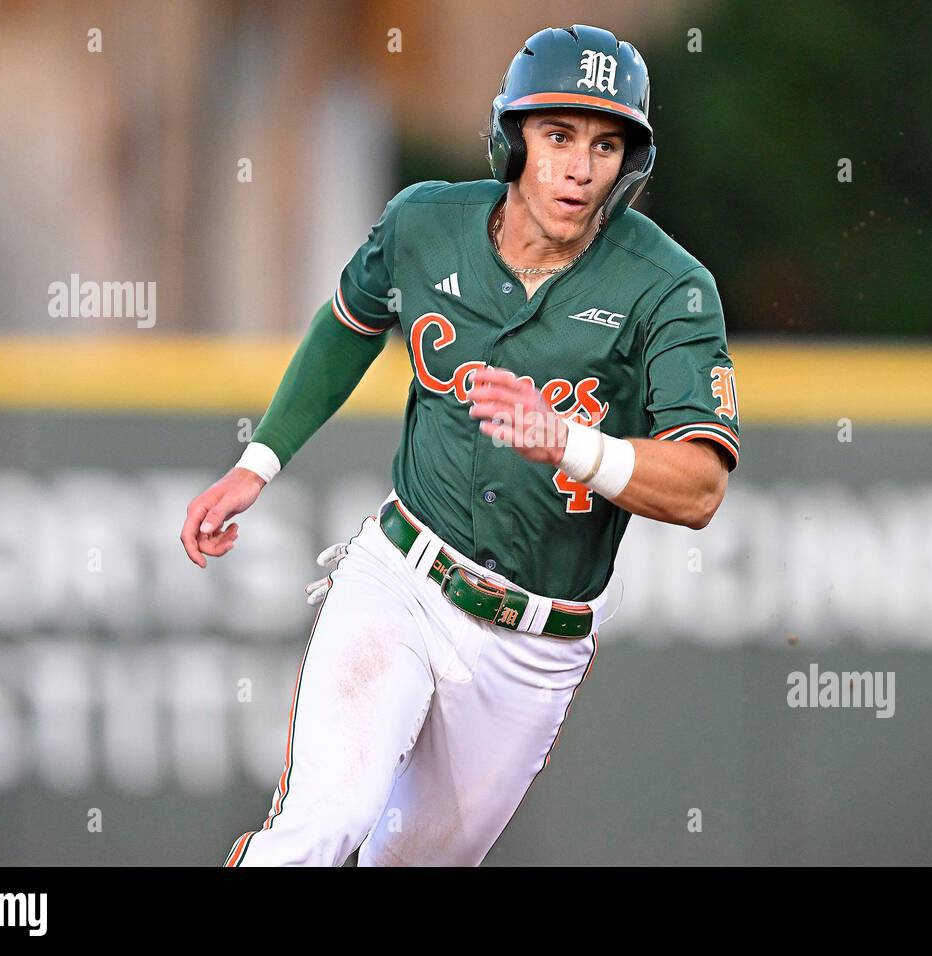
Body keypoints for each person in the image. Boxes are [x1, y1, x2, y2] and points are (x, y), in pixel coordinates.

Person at [181, 23, 740, 866]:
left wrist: (570, 444)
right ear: (513, 137)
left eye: (605, 143)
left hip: (534, 644)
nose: (580, 166)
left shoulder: (670, 287)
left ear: (630, 162)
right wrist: (260, 460)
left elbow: (699, 488)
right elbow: (349, 325)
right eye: (558, 135)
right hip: (401, 577)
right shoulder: (425, 224)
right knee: (323, 825)